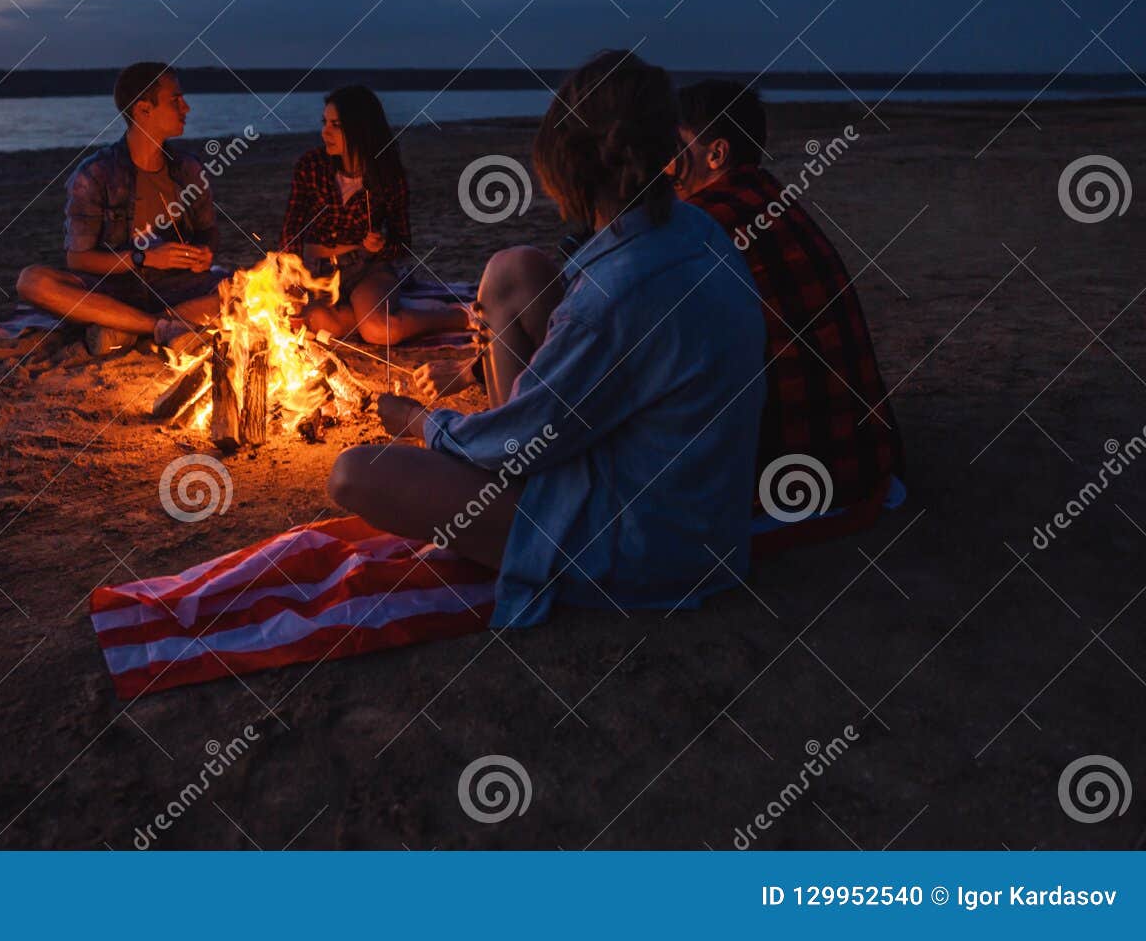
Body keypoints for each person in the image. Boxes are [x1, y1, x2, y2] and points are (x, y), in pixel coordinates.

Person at [328, 52, 766, 627]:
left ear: (568, 163)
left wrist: (415, 420)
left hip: (643, 548)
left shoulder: (616, 292)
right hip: (703, 516)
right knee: (514, 272)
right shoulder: (694, 228)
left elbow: (519, 439)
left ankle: (533, 544)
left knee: (354, 475)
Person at [669, 80, 904, 545]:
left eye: (672, 148)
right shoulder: (770, 200)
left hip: (789, 471)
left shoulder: (703, 222)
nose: (662, 165)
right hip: (860, 458)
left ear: (715, 154)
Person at [16, 62, 223, 357]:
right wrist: (144, 258)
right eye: (175, 100)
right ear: (143, 110)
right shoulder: (95, 173)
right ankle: (157, 326)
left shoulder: (188, 170)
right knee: (32, 281)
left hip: (177, 287)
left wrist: (204, 252)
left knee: (248, 288)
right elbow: (78, 260)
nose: (186, 108)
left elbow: (208, 232)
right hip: (113, 289)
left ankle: (125, 328)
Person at [279, 86, 469, 345]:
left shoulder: (387, 175)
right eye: (325, 122)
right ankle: (369, 317)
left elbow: (402, 243)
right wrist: (291, 272)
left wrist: (380, 246)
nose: (325, 131)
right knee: (313, 323)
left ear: (360, 128)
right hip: (318, 273)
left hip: (367, 269)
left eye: (336, 125)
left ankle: (454, 317)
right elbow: (292, 227)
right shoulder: (311, 165)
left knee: (380, 331)